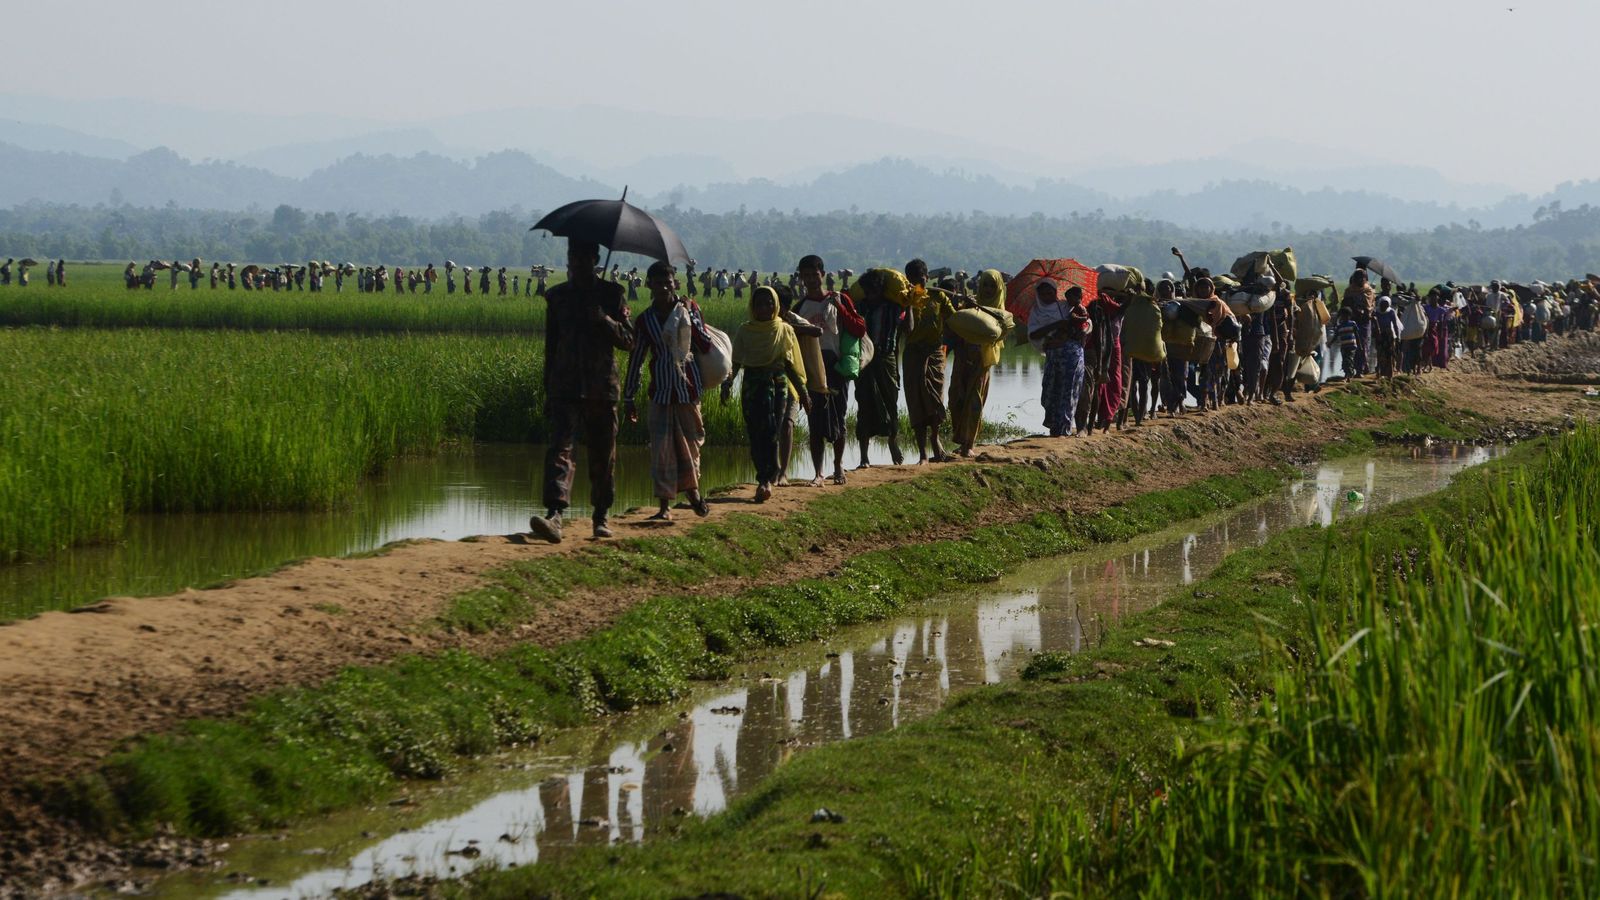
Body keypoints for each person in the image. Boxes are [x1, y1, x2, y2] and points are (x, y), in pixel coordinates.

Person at [527, 239, 635, 543]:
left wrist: (604, 320)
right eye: (572, 257)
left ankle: (600, 516)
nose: (576, 263)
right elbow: (551, 348)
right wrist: (548, 390)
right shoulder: (557, 297)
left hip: (602, 388)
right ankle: (555, 515)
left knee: (603, 455)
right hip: (565, 387)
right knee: (560, 450)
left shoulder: (612, 295)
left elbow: (629, 340)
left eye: (583, 257)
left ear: (595, 259)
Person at [622, 261, 713, 521]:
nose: (663, 287)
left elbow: (704, 345)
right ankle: (664, 508)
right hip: (660, 391)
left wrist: (691, 317)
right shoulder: (645, 321)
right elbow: (637, 359)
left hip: (687, 390)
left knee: (691, 444)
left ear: (676, 284)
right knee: (661, 449)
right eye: (657, 282)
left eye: (667, 282)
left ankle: (694, 493)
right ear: (648, 285)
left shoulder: (689, 310)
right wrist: (629, 397)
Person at [722, 285, 809, 503]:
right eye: (759, 304)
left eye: (769, 303)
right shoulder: (745, 330)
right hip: (753, 388)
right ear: (753, 307)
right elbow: (736, 362)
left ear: (776, 305)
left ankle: (765, 480)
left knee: (771, 431)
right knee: (755, 433)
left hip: (777, 387)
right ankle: (765, 474)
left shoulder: (784, 330)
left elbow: (790, 366)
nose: (764, 308)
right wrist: (727, 385)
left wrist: (804, 394)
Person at [794, 253, 866, 484]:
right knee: (815, 420)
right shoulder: (800, 307)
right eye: (806, 276)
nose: (811, 280)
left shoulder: (840, 300)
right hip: (812, 369)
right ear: (801, 279)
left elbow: (859, 328)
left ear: (822, 275)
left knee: (839, 416)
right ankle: (818, 473)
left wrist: (840, 308)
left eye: (814, 275)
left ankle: (838, 466)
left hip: (836, 367)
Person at [947, 269, 1008, 455]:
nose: (988, 289)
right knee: (956, 398)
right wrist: (966, 306)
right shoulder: (971, 301)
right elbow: (956, 321)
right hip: (962, 357)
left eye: (992, 286)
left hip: (981, 360)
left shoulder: (1000, 311)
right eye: (985, 285)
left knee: (974, 400)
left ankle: (969, 444)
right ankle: (960, 439)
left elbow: (999, 333)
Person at [901, 259, 956, 463]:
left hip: (934, 353)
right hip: (913, 354)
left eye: (922, 279)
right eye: (914, 279)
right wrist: (909, 303)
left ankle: (935, 440)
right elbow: (908, 330)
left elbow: (953, 319)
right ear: (908, 280)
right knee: (916, 400)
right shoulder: (905, 299)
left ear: (927, 277)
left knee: (935, 398)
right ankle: (923, 454)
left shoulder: (938, 296)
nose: (919, 282)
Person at [854, 269, 906, 467]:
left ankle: (893, 441)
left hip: (886, 357)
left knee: (891, 401)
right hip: (865, 360)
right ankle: (864, 457)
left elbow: (905, 329)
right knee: (864, 403)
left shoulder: (894, 308)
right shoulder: (860, 308)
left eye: (874, 291)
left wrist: (908, 305)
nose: (871, 296)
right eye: (868, 292)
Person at [1035, 281, 1091, 436]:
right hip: (1053, 354)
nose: (1048, 296)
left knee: (1068, 390)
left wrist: (1082, 330)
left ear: (1055, 292)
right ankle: (1054, 425)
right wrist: (1055, 326)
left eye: (1050, 292)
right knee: (1050, 390)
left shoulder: (1066, 306)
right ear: (1038, 296)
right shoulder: (1037, 311)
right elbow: (1033, 334)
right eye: (1043, 294)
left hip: (1072, 354)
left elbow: (1087, 323)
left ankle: (1063, 428)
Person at [1374, 296, 1401, 379]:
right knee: (1379, 354)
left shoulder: (1391, 312)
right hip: (1379, 335)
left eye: (1386, 305)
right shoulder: (1376, 312)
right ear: (1379, 304)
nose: (1384, 307)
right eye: (1382, 304)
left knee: (1390, 354)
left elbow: (1395, 325)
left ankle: (1390, 374)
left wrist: (1398, 336)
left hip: (1389, 335)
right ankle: (1379, 372)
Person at [1335, 309, 1360, 380]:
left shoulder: (1352, 324)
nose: (1344, 317)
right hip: (1344, 346)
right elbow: (1336, 335)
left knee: (1349, 360)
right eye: (1343, 316)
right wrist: (1330, 343)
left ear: (1349, 316)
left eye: (1346, 316)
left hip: (1352, 346)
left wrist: (1359, 345)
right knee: (1345, 360)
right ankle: (1348, 374)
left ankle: (1348, 375)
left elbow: (1357, 335)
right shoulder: (1339, 326)